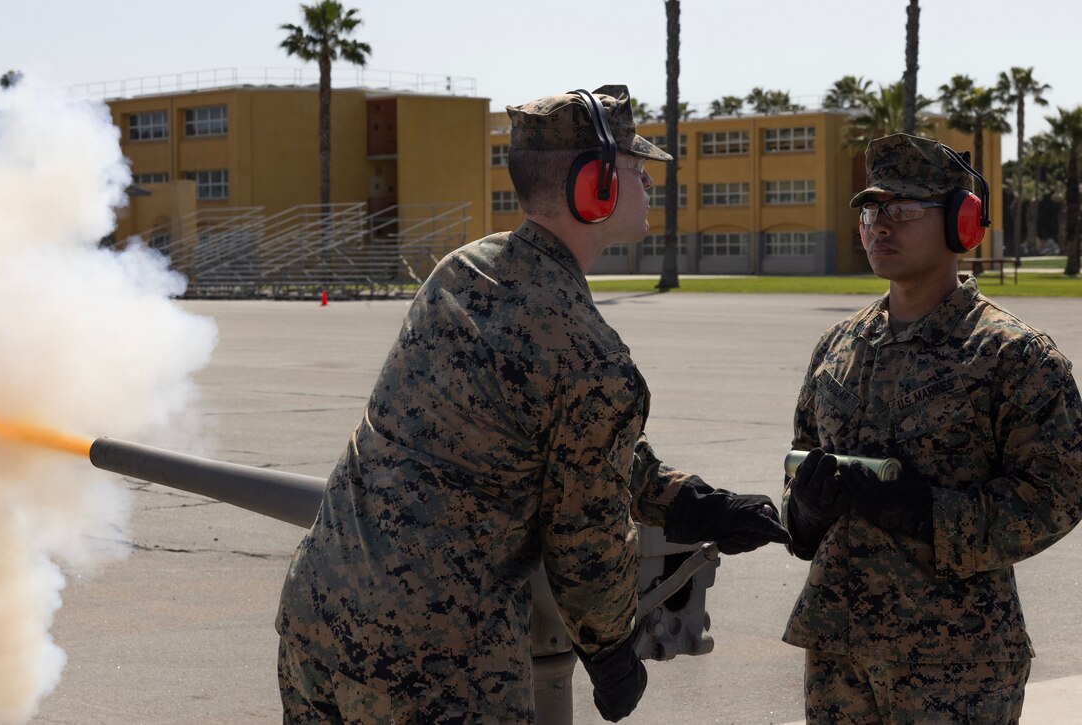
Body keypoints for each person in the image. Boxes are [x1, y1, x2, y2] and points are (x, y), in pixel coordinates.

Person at [275, 84, 791, 724]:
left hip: (319, 624)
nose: (650, 185)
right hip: (433, 672)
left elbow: (536, 430)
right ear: (595, 188)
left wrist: (687, 501)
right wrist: (611, 654)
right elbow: (585, 545)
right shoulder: (592, 358)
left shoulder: (461, 273)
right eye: (634, 169)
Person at [781, 133, 1082, 724]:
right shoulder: (838, 347)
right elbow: (801, 457)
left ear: (962, 224)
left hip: (956, 663)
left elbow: (1059, 492)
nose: (879, 226)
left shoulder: (1010, 354)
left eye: (903, 210)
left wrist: (931, 517)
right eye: (871, 210)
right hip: (840, 654)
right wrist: (805, 515)